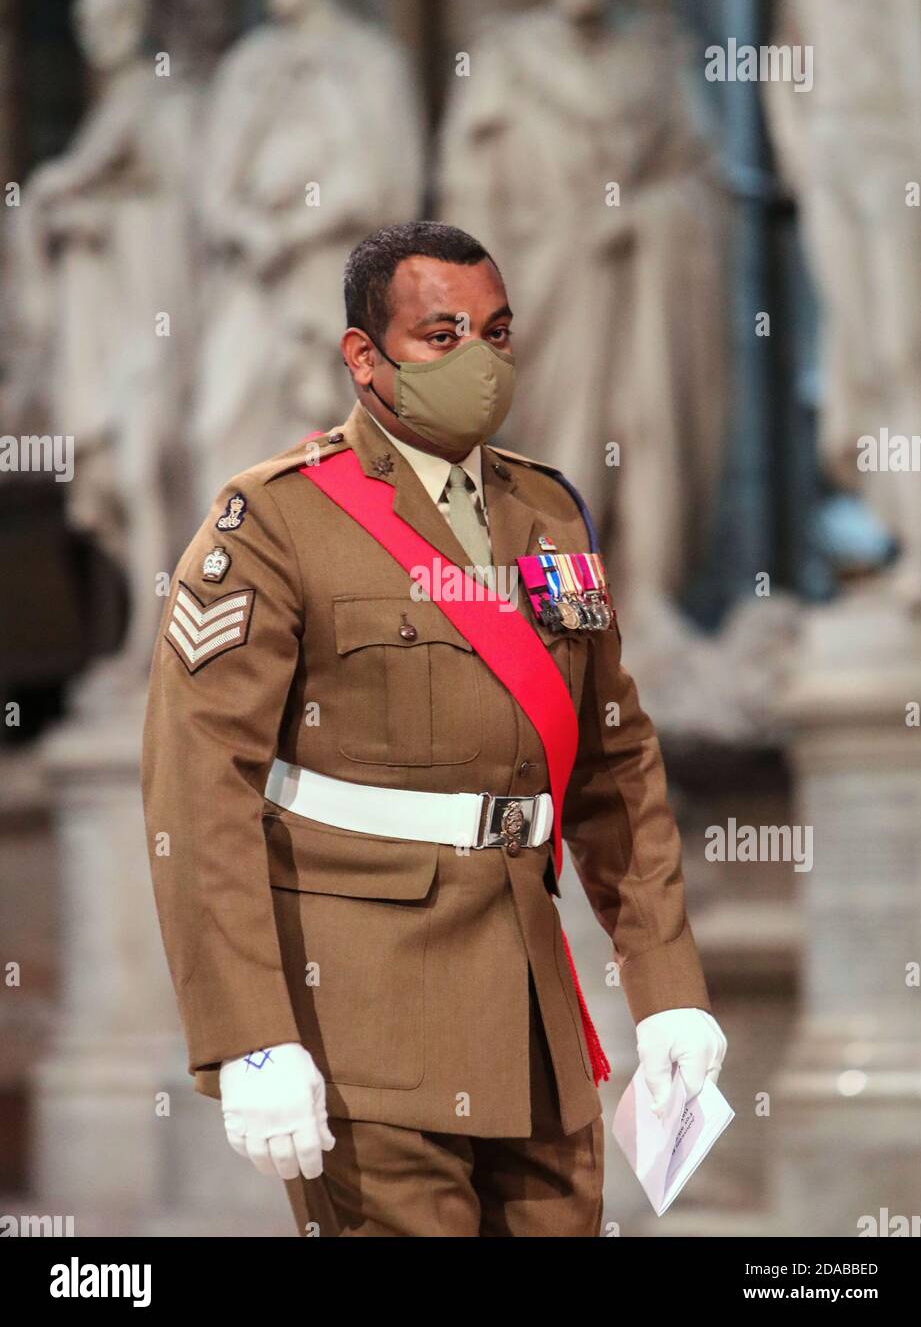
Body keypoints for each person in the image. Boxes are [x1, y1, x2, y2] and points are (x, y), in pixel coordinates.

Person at [141, 220, 726, 1237]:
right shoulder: (275, 521)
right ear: (363, 357)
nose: (482, 361)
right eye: (441, 336)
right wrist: (249, 1037)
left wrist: (666, 987)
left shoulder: (547, 512)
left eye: (496, 333)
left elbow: (612, 763)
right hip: (366, 1022)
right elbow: (201, 795)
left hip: (536, 1026)